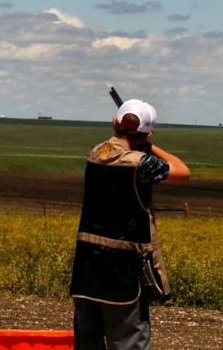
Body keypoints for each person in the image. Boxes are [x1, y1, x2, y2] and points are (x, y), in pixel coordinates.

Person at [71, 98, 190, 349]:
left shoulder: (94, 154)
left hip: (85, 269)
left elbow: (114, 151)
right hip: (123, 274)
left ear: (115, 123)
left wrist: (141, 141)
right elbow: (183, 171)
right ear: (148, 132)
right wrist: (151, 145)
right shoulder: (143, 164)